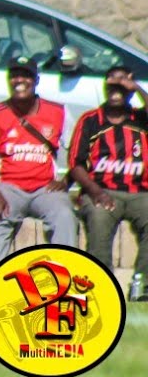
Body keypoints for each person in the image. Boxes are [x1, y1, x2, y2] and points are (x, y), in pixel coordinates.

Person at [0, 57, 76, 271]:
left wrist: (66, 181)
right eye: (14, 76)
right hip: (8, 186)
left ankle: (65, 278)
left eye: (26, 75)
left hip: (45, 187)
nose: (19, 80)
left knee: (65, 216)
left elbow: (79, 151)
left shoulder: (58, 111)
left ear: (37, 80)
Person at [67, 67, 148, 286]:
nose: (116, 89)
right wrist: (95, 191)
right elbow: (75, 163)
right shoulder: (90, 120)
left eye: (121, 86)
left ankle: (141, 283)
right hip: (101, 190)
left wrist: (137, 87)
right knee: (99, 220)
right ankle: (102, 284)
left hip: (139, 192)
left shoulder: (140, 118)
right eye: (111, 84)